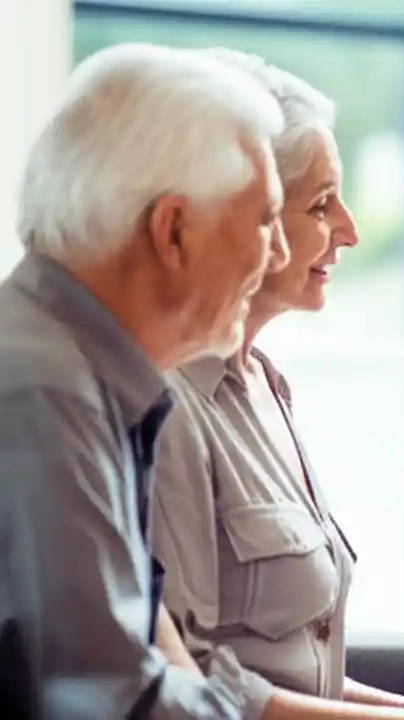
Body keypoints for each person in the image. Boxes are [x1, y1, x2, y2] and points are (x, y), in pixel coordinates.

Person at [150, 50, 404, 720]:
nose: (350, 229)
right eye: (321, 204)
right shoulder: (167, 405)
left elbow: (302, 667)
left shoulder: (265, 386)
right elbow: (196, 678)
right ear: (245, 214)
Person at [0, 42, 291, 718]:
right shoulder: (42, 390)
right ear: (173, 229)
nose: (277, 253)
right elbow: (109, 701)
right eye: (266, 218)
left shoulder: (67, 368)